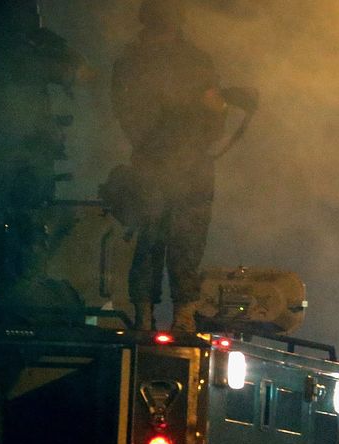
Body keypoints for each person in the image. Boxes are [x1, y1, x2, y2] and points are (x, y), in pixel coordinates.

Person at [0, 0, 88, 300]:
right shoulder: (17, 54)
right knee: (8, 221)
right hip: (8, 152)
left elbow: (78, 73)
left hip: (18, 151)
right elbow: (78, 73)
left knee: (5, 223)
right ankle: (5, 291)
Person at [111, 0, 228, 332]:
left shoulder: (145, 60)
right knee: (157, 240)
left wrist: (207, 117)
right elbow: (129, 113)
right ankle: (161, 315)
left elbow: (213, 115)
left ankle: (172, 315)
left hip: (182, 163)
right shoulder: (140, 61)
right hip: (161, 162)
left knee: (181, 242)